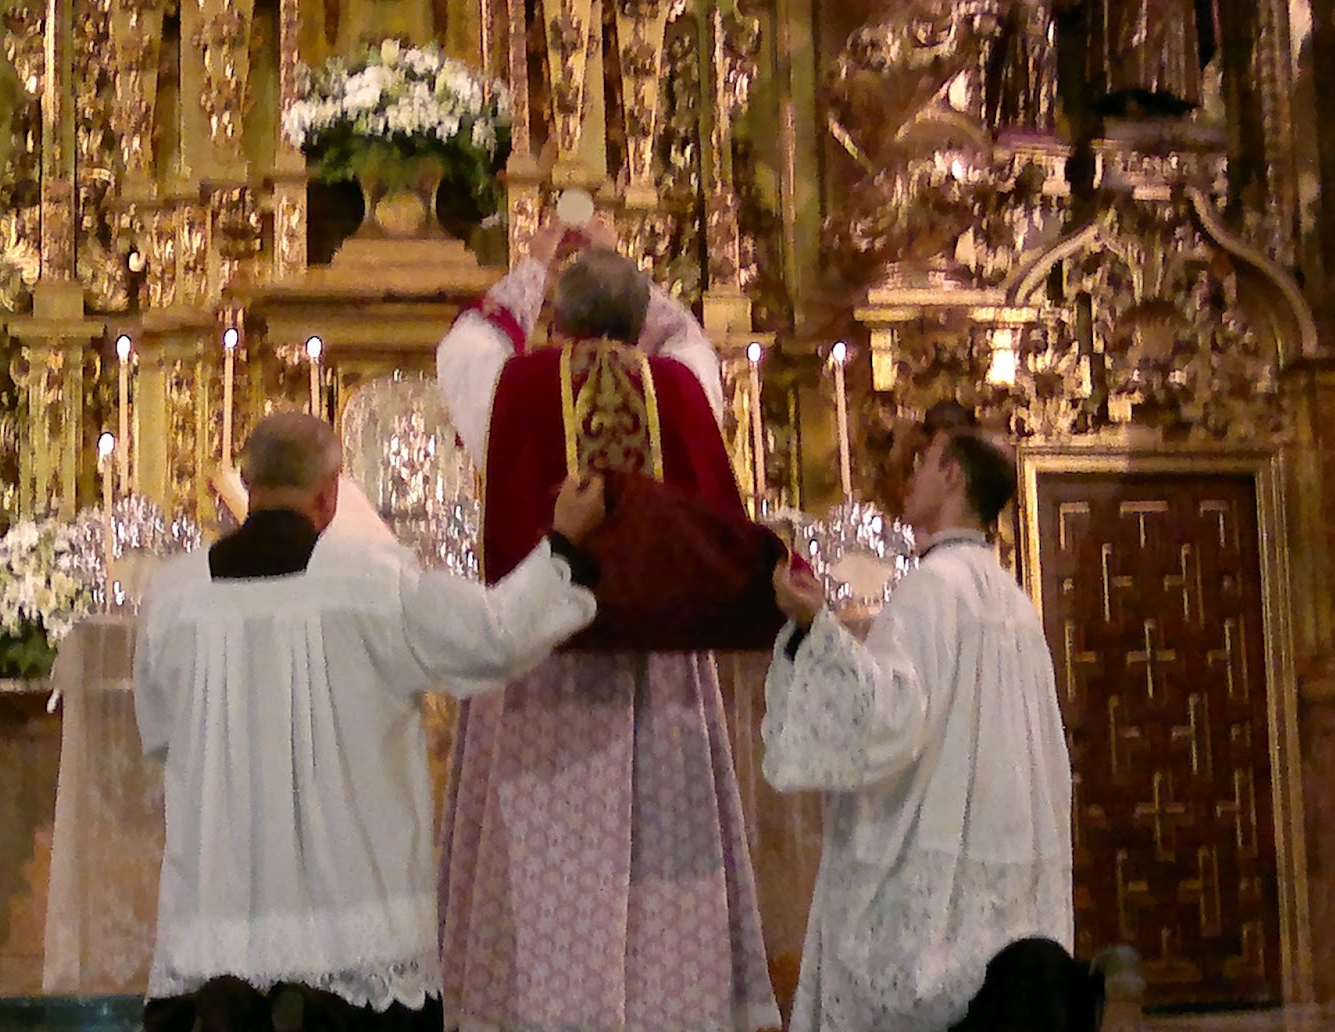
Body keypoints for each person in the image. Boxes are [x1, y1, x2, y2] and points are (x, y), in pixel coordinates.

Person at [134, 411, 608, 1032]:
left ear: (246, 483)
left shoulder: (173, 597)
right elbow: (495, 635)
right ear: (330, 494)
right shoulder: (373, 584)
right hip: (358, 943)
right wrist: (565, 545)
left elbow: (162, 732)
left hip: (214, 937)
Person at [435, 217, 780, 1032]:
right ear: (639, 323)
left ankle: (530, 1007)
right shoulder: (684, 385)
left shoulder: (516, 387)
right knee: (664, 847)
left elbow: (466, 348)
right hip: (661, 671)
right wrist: (634, 283)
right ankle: (669, 1005)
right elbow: (688, 337)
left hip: (543, 651)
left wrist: (532, 269)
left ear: (555, 322)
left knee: (550, 864)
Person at [762, 424, 1077, 1032]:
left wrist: (812, 628)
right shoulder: (1014, 600)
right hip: (1011, 885)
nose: (911, 478)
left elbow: (886, 718)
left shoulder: (932, 587)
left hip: (933, 893)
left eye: (926, 463)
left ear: (953, 475)